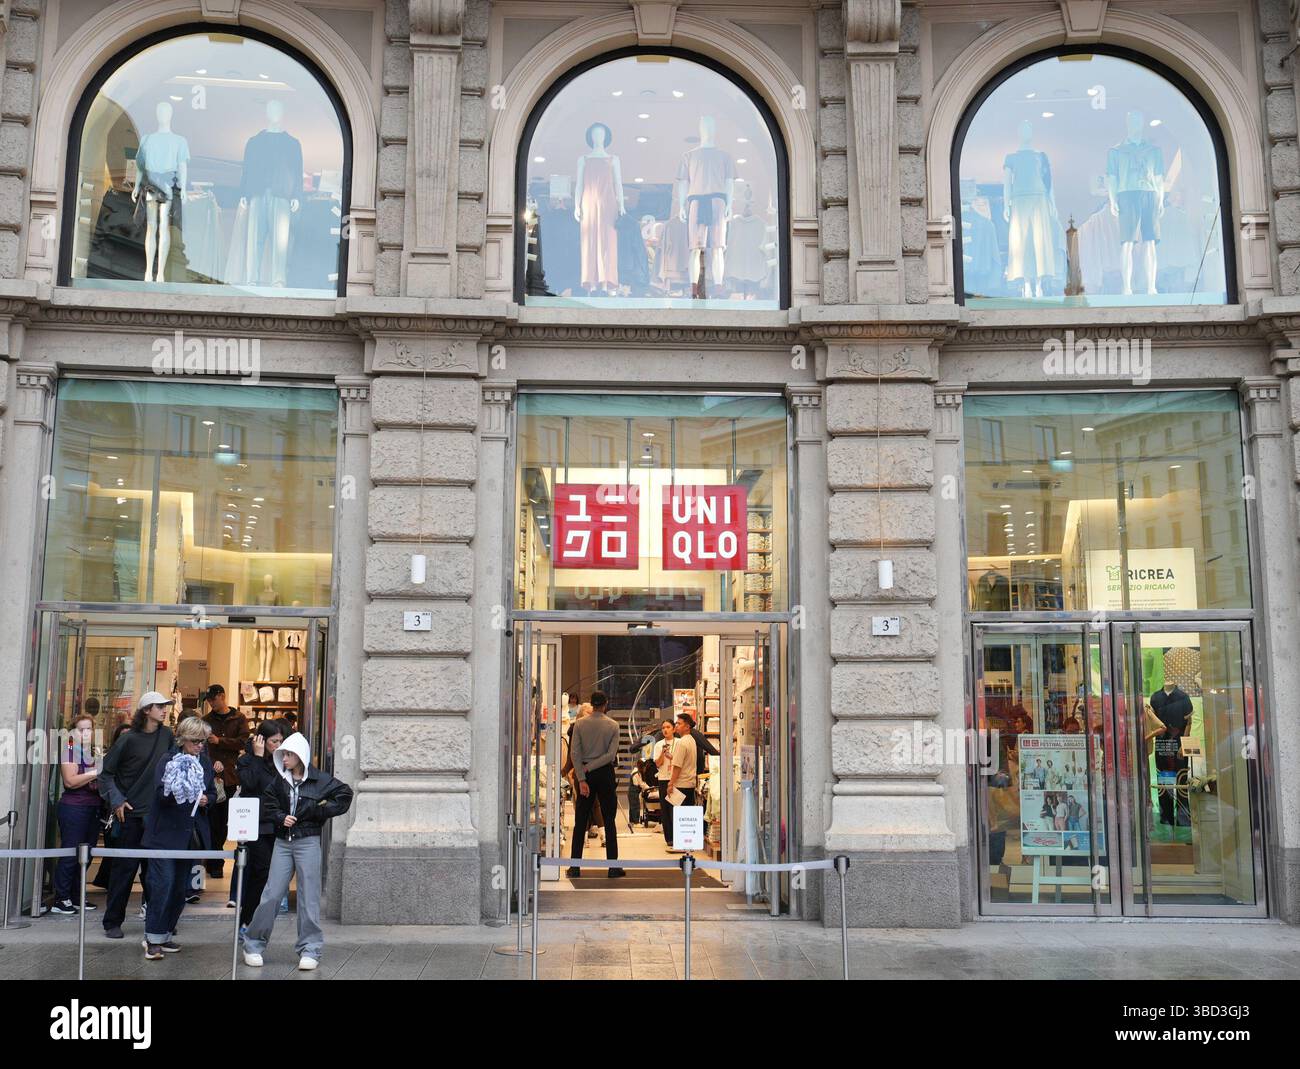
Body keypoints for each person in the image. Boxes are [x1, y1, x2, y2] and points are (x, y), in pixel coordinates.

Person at [242, 732, 352, 970]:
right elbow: (268, 803)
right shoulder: (279, 781)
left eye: (288, 754)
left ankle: (310, 949)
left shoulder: (320, 780)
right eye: (282, 754)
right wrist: (281, 818)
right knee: (271, 895)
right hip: (283, 843)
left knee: (308, 897)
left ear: (300, 756)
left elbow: (345, 795)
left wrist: (318, 812)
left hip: (308, 841)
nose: (283, 758)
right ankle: (252, 943)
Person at [99, 692, 176, 939]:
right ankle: (112, 921)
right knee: (124, 870)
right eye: (160, 706)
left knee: (156, 874)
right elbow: (106, 774)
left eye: (166, 706)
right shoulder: (128, 740)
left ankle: (158, 923)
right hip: (130, 816)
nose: (164, 710)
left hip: (158, 815)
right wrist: (117, 799)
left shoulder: (167, 736)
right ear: (146, 710)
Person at [140, 716, 213, 959]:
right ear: (183, 739)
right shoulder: (168, 759)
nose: (200, 746)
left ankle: (165, 933)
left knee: (182, 888)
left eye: (203, 741)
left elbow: (212, 793)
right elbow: (160, 794)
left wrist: (205, 799)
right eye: (195, 741)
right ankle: (152, 937)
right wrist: (182, 789)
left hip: (189, 835)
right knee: (163, 884)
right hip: (164, 834)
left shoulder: (204, 761)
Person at [564, 691, 623, 879]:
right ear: (605, 704)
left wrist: (582, 777)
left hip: (584, 775)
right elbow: (610, 756)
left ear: (592, 703)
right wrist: (591, 768)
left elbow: (575, 753)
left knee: (580, 821)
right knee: (609, 820)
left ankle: (575, 867)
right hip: (605, 774)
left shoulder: (579, 724)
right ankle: (613, 868)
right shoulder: (613, 725)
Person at [234, 719, 285, 930]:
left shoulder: (282, 761)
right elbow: (250, 784)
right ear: (261, 741)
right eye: (274, 742)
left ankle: (255, 919)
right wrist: (256, 756)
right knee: (259, 871)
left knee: (269, 874)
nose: (279, 746)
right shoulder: (247, 760)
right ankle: (246, 920)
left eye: (281, 741)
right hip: (256, 824)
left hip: (277, 823)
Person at [50, 716, 103, 914]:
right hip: (74, 808)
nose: (86, 733)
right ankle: (61, 898)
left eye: (89, 729)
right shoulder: (70, 750)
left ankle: (77, 896)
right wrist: (96, 772)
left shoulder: (92, 751)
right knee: (71, 853)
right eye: (81, 729)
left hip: (92, 807)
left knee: (86, 855)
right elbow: (70, 781)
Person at [202, 684, 249, 883]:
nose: (211, 703)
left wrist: (219, 741)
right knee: (214, 821)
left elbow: (243, 742)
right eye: (209, 701)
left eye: (213, 699)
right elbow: (201, 746)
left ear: (222, 696)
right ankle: (215, 864)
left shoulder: (239, 719)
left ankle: (217, 861)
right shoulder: (205, 720)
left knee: (226, 824)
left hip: (232, 777)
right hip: (212, 778)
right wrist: (212, 763)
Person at [663, 714, 698, 851]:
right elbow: (683, 760)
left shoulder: (682, 742)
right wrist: (671, 756)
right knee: (687, 815)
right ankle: (687, 844)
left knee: (679, 815)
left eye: (679, 723)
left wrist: (671, 783)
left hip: (681, 784)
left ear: (687, 726)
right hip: (689, 783)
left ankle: (681, 844)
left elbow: (677, 766)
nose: (676, 726)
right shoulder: (691, 740)